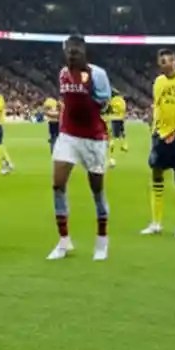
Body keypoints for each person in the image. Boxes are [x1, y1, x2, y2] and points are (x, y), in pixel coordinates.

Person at [47, 35, 113, 261]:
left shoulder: (97, 74)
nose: (71, 56)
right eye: (68, 52)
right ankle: (64, 241)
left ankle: (102, 241)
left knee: (96, 190)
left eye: (75, 52)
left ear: (84, 52)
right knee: (57, 185)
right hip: (68, 135)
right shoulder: (62, 73)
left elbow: (105, 104)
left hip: (93, 139)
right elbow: (68, 101)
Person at [141, 49, 175, 238]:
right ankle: (156, 223)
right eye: (162, 61)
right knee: (156, 174)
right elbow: (157, 105)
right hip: (160, 135)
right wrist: (154, 128)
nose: (166, 64)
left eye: (169, 60)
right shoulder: (158, 82)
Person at [107, 93, 128, 166]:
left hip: (114, 118)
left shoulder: (113, 100)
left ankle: (112, 145)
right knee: (122, 132)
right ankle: (124, 146)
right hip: (121, 118)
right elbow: (124, 109)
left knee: (114, 135)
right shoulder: (122, 101)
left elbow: (109, 108)